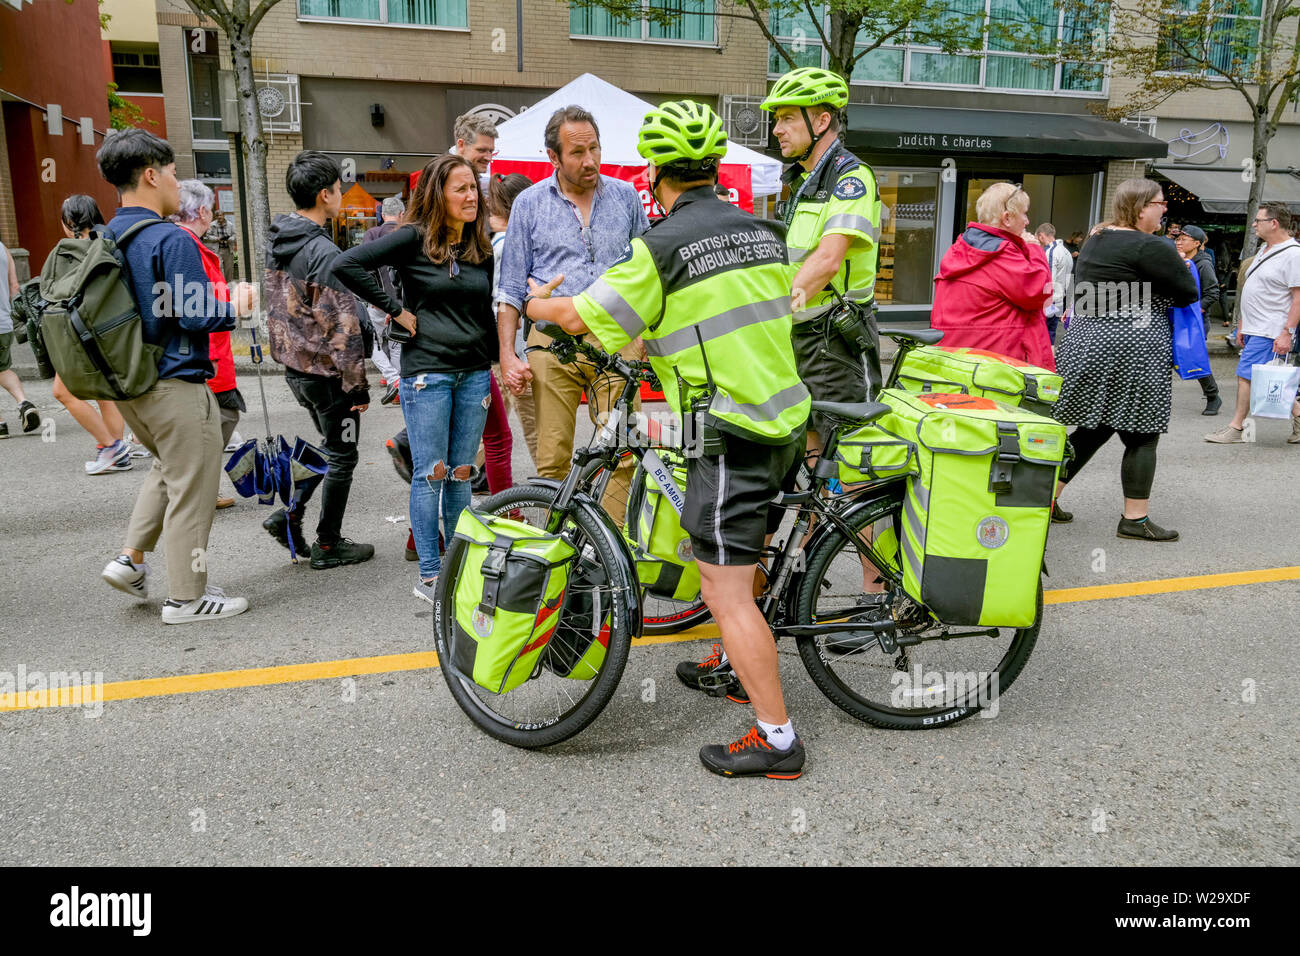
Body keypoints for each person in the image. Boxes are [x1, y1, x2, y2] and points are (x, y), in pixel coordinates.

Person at [525, 101, 811, 779]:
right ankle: (736, 667)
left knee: (723, 588)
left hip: (732, 430)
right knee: (747, 558)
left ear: (656, 175)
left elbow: (578, 316)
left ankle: (777, 740)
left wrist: (535, 303)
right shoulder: (765, 230)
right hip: (785, 418)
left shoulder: (660, 247)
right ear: (714, 168)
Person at [95, 128, 257, 622]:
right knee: (193, 491)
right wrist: (237, 305)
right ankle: (187, 597)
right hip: (175, 382)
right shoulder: (169, 238)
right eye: (170, 172)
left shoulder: (106, 236)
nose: (175, 181)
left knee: (168, 470)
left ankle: (131, 560)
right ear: (150, 175)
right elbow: (196, 313)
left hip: (128, 384)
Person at [332, 154, 497, 605]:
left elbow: (483, 310)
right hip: (427, 375)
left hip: (474, 374)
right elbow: (346, 265)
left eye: (473, 188)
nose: (471, 196)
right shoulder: (413, 237)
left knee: (461, 475)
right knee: (430, 474)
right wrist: (395, 309)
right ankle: (429, 575)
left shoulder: (479, 246)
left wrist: (498, 361)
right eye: (461, 188)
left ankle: (457, 571)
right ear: (438, 194)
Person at [496, 105, 649, 523]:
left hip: (617, 338)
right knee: (553, 461)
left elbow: (647, 270)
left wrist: (646, 335)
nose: (590, 160)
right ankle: (559, 549)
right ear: (554, 157)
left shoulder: (626, 196)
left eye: (594, 148)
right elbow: (510, 288)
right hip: (551, 342)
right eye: (578, 152)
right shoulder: (528, 204)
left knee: (621, 451)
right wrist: (508, 355)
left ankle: (608, 549)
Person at [1051, 179, 1199, 540]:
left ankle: (1044, 497)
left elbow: (1094, 294)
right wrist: (1155, 288)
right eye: (1160, 204)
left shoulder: (1097, 238)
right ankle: (1135, 519)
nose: (1164, 210)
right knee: (1143, 435)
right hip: (1133, 348)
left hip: (1086, 342)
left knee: (1095, 428)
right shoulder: (1152, 245)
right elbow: (1188, 292)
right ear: (1141, 207)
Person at [264, 150, 375, 569]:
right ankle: (328, 544)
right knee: (343, 456)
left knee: (331, 448)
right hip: (327, 374)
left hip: (296, 367)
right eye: (338, 188)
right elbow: (342, 328)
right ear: (325, 194)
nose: (342, 194)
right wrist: (357, 387)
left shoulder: (279, 240)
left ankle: (289, 517)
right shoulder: (322, 251)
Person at [761, 67, 883, 450]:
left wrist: (772, 312)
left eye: (787, 118)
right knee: (808, 444)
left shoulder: (850, 179)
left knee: (844, 451)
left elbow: (828, 260)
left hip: (836, 340)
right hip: (801, 336)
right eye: (776, 120)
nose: (777, 129)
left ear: (821, 121)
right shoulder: (801, 181)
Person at [169, 178, 246, 506]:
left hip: (208, 353)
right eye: (210, 209)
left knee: (219, 420)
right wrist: (234, 304)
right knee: (221, 418)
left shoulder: (186, 245)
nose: (213, 215)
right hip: (208, 356)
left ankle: (199, 488)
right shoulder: (188, 249)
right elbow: (199, 309)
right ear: (201, 211)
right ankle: (198, 490)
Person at [44, 197, 135, 471]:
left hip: (77, 333)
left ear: (69, 221)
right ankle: (116, 453)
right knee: (104, 392)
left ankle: (110, 446)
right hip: (107, 331)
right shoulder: (106, 242)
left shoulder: (70, 251)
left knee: (62, 391)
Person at [1204, 201, 1300, 444]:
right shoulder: (1264, 249)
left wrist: (1287, 332)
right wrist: (1242, 324)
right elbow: (1255, 290)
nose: (1254, 224)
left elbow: (1298, 298)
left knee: (1246, 376)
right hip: (1255, 327)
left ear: (1274, 223)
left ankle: (1236, 427)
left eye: (1259, 220)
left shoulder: (1293, 254)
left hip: (1270, 328)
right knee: (1263, 378)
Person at [931, 183, 1055, 370]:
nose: (1027, 221)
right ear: (1007, 218)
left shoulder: (960, 248)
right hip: (998, 368)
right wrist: (1034, 249)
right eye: (1024, 213)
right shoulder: (1002, 254)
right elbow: (1041, 292)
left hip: (959, 363)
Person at [489, 172, 537, 468]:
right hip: (518, 351)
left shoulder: (504, 242)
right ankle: (553, 486)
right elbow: (502, 302)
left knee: (494, 427)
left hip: (507, 350)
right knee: (535, 427)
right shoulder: (509, 244)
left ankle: (454, 471)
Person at [1174, 224, 1223, 415]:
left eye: (1184, 239)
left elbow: (1213, 293)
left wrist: (1195, 311)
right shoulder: (1179, 260)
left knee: (1194, 358)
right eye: (1178, 239)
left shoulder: (1203, 264)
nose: (1179, 242)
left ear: (1196, 243)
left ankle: (1213, 396)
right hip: (1178, 318)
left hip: (1195, 321)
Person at [361, 195, 406, 403]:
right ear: (401, 214)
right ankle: (398, 385)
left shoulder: (372, 234)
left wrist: (372, 295)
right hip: (402, 302)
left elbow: (364, 268)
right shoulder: (406, 233)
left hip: (378, 300)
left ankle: (392, 378)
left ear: (382, 215)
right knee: (397, 343)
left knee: (373, 343)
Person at [0, 227, 41, 441]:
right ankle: (23, 402)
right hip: (4, 323)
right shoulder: (3, 249)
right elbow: (15, 287)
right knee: (3, 368)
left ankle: (0, 425)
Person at [1035, 222, 1073, 346]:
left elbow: (1048, 280)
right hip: (1059, 300)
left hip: (1049, 301)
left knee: (1040, 338)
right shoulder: (1066, 252)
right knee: (1050, 336)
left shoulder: (1051, 251)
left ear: (1041, 236)